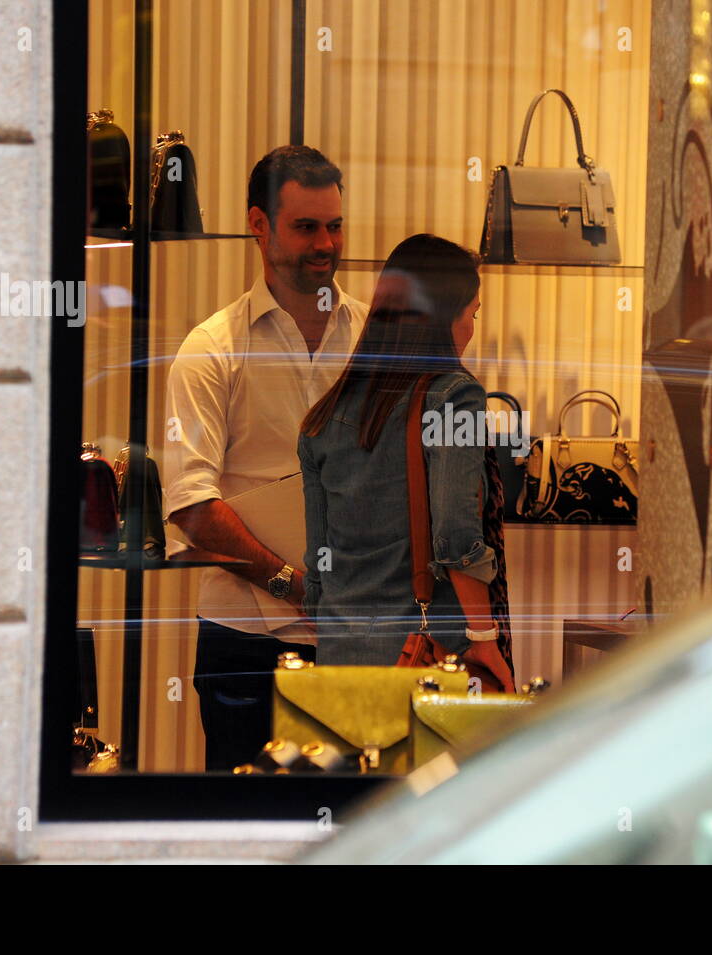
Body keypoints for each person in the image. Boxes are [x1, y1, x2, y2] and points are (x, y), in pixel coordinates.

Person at [163, 146, 368, 771]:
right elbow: (191, 507)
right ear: (258, 225)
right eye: (306, 227)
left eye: (334, 225)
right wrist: (293, 585)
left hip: (354, 636)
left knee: (349, 831)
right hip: (244, 645)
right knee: (244, 830)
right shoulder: (211, 348)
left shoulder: (370, 338)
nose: (325, 243)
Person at [298, 234, 514, 689]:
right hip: (425, 656)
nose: (471, 329)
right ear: (445, 316)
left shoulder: (326, 416)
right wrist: (484, 637)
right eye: (471, 314)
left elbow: (319, 566)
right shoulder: (455, 397)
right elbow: (456, 537)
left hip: (339, 658)